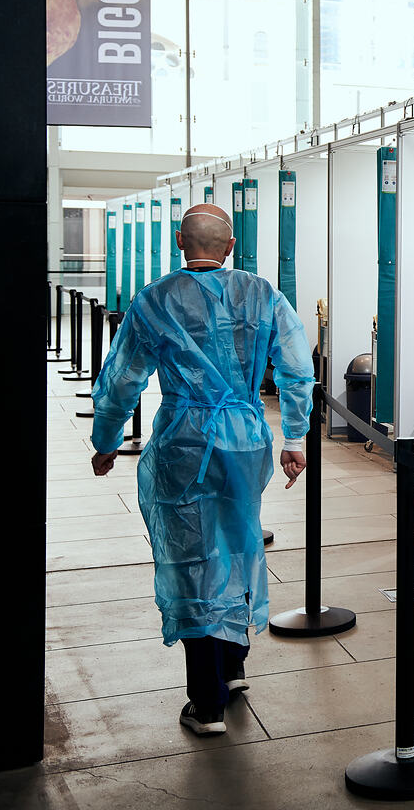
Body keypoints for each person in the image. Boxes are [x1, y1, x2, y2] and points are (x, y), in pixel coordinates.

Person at [90, 202, 314, 736]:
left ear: (177, 240)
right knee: (236, 543)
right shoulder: (263, 294)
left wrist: (107, 438)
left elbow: (122, 377)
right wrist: (296, 436)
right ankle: (233, 668)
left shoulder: (154, 302)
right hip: (243, 440)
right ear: (231, 247)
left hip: (183, 443)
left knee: (189, 557)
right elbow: (296, 367)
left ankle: (207, 702)